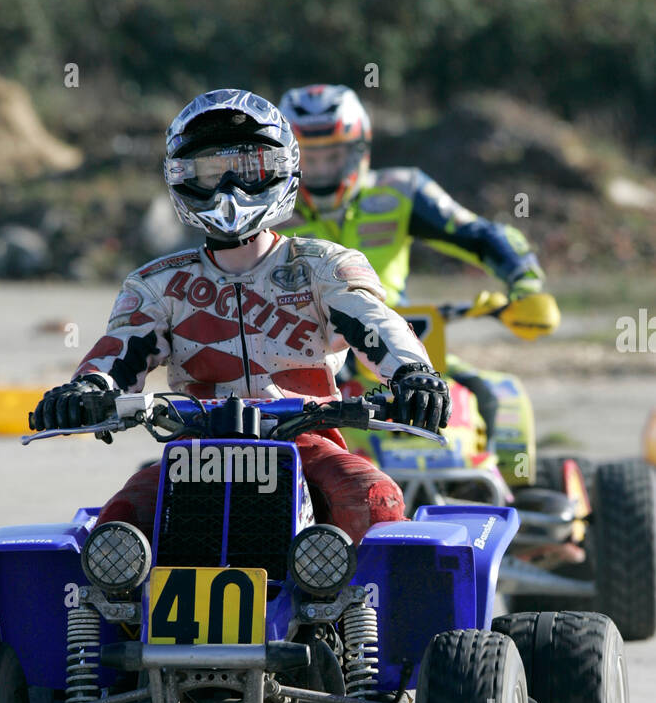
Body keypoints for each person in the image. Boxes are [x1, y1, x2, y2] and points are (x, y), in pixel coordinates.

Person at [30, 88, 450, 545]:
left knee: (374, 498)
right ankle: (115, 618)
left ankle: (368, 615)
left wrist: (413, 374)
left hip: (305, 443)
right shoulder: (156, 284)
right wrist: (86, 388)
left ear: (282, 169)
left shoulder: (323, 265)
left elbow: (375, 322)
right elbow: (119, 352)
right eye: (210, 173)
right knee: (116, 527)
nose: (229, 189)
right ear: (180, 179)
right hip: (193, 450)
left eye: (248, 170)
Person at [277, 83, 560, 436]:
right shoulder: (268, 210)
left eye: (333, 157)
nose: (321, 171)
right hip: (309, 352)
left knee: (490, 397)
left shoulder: (401, 190)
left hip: (401, 340)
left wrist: (526, 283)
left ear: (360, 149)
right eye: (310, 158)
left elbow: (481, 234)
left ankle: (498, 490)